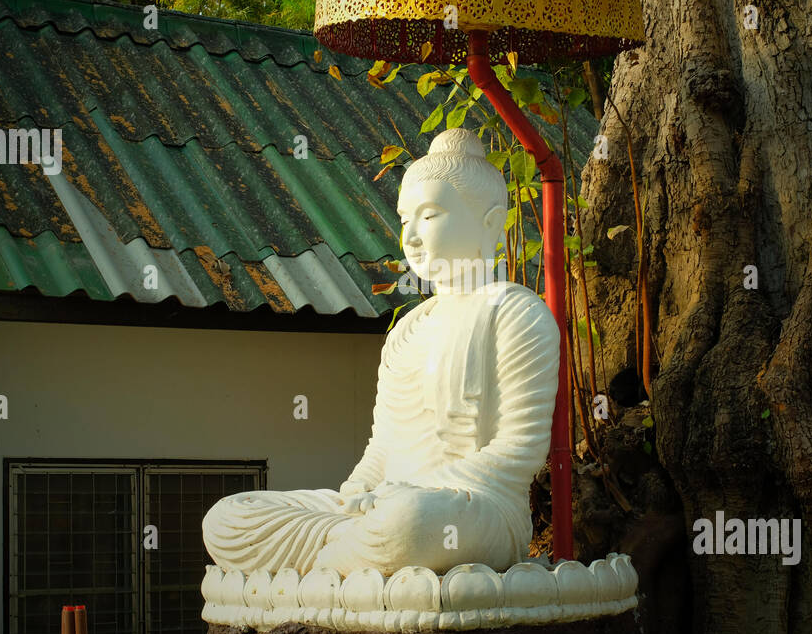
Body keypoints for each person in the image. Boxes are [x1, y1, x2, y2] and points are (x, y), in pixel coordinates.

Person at [202, 128, 560, 576]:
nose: (409, 236)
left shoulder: (518, 314)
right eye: (404, 219)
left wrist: (407, 495)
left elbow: (516, 454)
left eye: (429, 216)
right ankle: (347, 555)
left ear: (489, 223)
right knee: (229, 518)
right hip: (380, 505)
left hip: (473, 508)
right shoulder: (408, 330)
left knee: (409, 524)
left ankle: (325, 567)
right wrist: (355, 492)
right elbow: (384, 447)